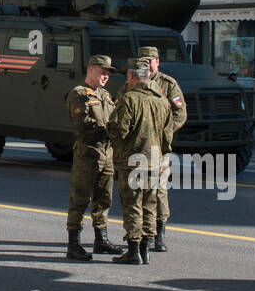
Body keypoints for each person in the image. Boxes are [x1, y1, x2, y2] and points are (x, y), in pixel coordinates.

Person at [106, 58, 171, 265]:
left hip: (132, 160)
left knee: (133, 205)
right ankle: (146, 247)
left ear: (132, 76)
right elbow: (168, 133)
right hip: (155, 161)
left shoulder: (129, 99)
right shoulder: (162, 100)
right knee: (150, 205)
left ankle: (133, 249)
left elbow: (118, 130)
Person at [63, 55, 124, 261]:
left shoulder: (105, 95)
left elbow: (113, 117)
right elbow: (83, 123)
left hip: (106, 153)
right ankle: (73, 244)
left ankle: (101, 240)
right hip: (88, 153)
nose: (106, 76)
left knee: (104, 199)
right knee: (80, 198)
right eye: (102, 71)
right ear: (91, 70)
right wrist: (110, 130)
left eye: (108, 73)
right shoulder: (79, 95)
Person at [137, 45, 184, 253]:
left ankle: (159, 234)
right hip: (138, 146)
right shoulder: (135, 81)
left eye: (150, 61)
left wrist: (164, 133)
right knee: (136, 190)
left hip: (159, 147)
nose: (147, 64)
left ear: (158, 62)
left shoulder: (168, 84)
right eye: (143, 61)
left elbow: (180, 113)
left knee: (159, 189)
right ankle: (138, 233)